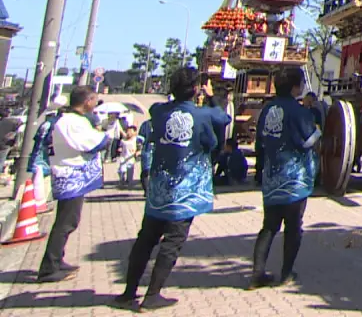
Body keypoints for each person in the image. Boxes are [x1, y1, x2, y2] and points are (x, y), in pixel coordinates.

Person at [115, 71, 231, 310]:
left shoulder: (159, 112)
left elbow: (157, 108)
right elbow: (221, 123)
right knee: (172, 241)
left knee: (145, 238)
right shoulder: (201, 115)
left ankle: (129, 291)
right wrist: (211, 97)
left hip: (159, 188)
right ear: (197, 89)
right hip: (185, 190)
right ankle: (153, 294)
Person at [251, 67, 321, 289]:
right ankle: (286, 273)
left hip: (272, 176)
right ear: (294, 87)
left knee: (269, 226)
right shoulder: (298, 111)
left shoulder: (268, 108)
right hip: (294, 179)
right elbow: (308, 139)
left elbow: (261, 140)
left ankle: (257, 274)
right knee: (293, 227)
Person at [37, 86, 108, 282]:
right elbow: (96, 143)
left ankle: (57, 260)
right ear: (87, 101)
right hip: (70, 175)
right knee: (66, 222)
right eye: (94, 100)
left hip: (70, 174)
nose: (95, 104)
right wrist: (104, 133)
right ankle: (49, 267)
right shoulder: (72, 122)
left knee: (67, 221)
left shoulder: (69, 119)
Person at [137, 118, 153, 197]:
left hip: (157, 150)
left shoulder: (163, 121)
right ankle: (147, 190)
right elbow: (140, 139)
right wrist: (139, 149)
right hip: (147, 150)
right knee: (146, 171)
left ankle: (151, 190)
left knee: (149, 171)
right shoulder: (146, 124)